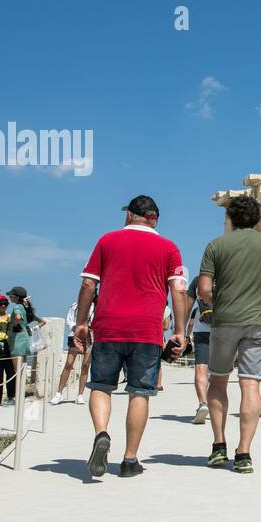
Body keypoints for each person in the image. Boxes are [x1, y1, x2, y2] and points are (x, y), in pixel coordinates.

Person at [74, 195, 188, 479]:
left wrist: (80, 323)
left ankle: (102, 433)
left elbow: (89, 283)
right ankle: (129, 460)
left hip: (109, 326)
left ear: (129, 216)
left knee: (100, 386)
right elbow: (179, 291)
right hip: (147, 331)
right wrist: (179, 331)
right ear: (155, 219)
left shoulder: (107, 241)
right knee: (140, 393)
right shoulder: (169, 248)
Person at [198, 193, 261, 474]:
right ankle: (244, 453)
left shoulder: (216, 245)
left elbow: (203, 290)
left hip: (224, 321)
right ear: (257, 219)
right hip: (259, 322)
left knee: (218, 381)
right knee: (250, 385)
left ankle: (218, 446)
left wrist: (222, 302)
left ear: (230, 218)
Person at [52, 298, 93, 405]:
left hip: (90, 337)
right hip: (75, 335)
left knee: (85, 365)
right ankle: (59, 393)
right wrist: (75, 328)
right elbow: (69, 320)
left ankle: (80, 394)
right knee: (69, 364)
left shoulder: (95, 305)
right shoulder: (75, 305)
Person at [6, 286, 46, 393]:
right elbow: (42, 321)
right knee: (22, 368)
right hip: (25, 339)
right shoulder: (26, 309)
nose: (9, 297)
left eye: (11, 296)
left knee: (17, 370)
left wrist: (14, 324)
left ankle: (18, 395)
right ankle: (21, 393)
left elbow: (18, 317)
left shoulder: (17, 307)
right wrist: (34, 328)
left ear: (16, 297)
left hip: (17, 341)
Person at [186, 280, 211, 424]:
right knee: (217, 374)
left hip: (202, 332)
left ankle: (203, 403)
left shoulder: (197, 281)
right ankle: (215, 405)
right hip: (223, 330)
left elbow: (187, 308)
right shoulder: (226, 275)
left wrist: (185, 334)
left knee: (201, 369)